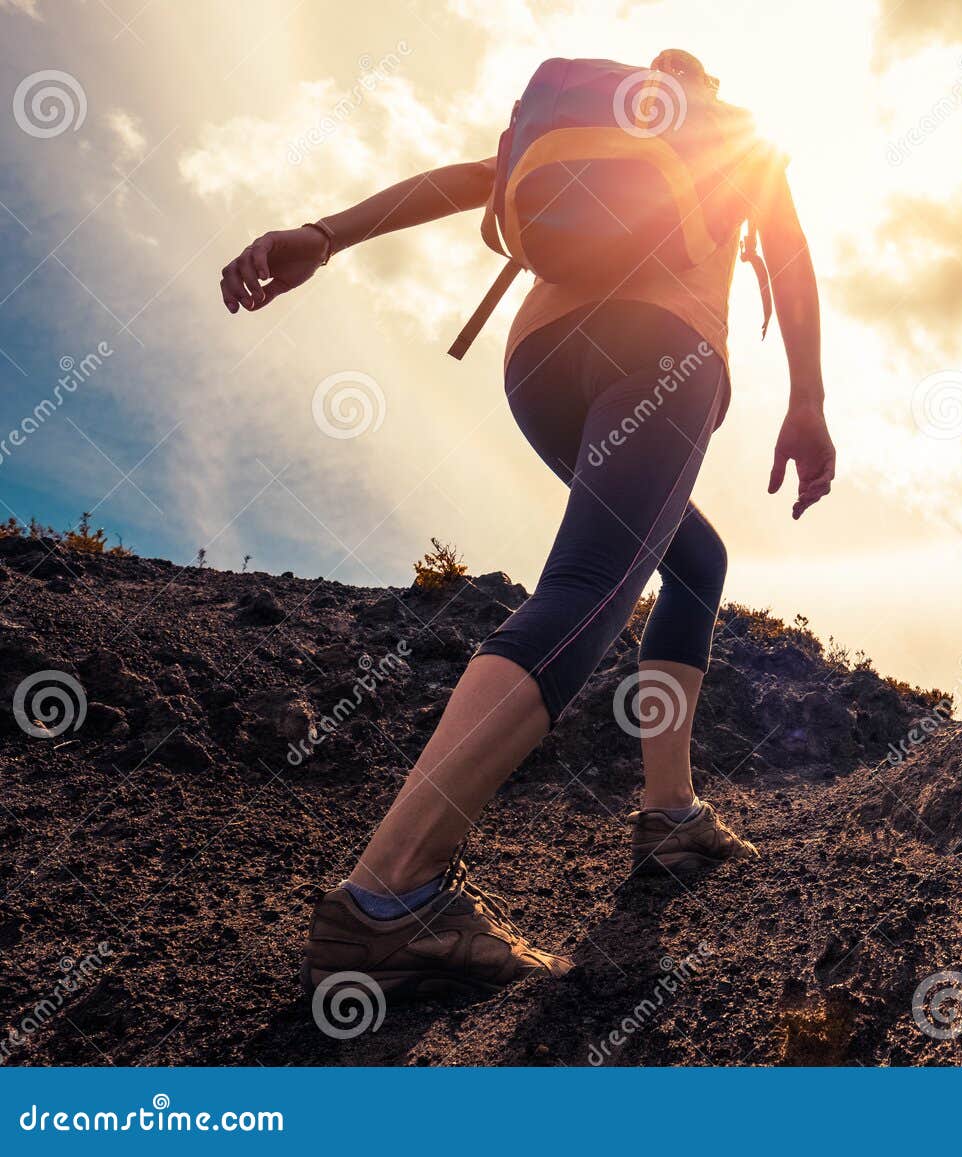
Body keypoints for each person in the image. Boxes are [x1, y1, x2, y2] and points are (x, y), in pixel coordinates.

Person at [219, 49, 835, 996]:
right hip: (661, 350)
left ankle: (669, 814)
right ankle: (389, 893)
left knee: (694, 560)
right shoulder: (735, 134)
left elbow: (466, 180)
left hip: (541, 366)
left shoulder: (581, 123)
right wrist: (808, 403)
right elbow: (787, 256)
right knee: (590, 585)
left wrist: (322, 234)